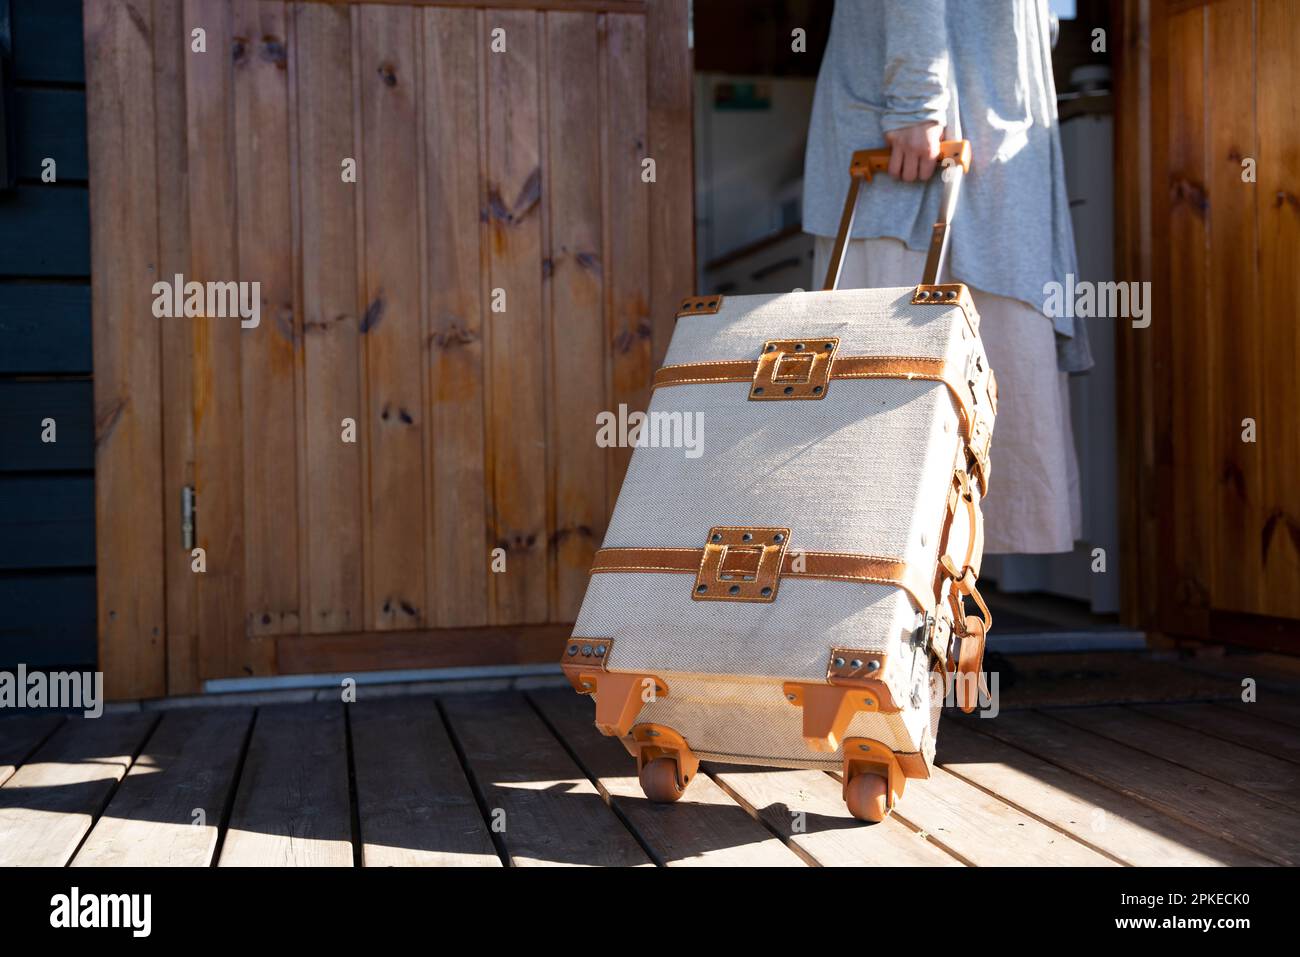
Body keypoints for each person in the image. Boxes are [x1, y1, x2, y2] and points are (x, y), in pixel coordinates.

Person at [803, 0, 1090, 555]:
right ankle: (900, 625)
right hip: (938, 135)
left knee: (921, 385)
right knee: (892, 385)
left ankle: (946, 627)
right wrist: (917, 100)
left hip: (978, 124)